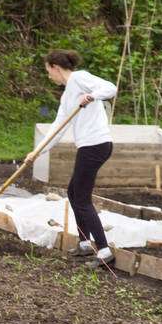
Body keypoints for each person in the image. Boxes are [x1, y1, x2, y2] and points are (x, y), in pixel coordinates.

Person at [26, 50, 118, 270]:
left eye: (49, 71)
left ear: (56, 67)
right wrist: (37, 151)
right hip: (88, 147)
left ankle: (104, 251)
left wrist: (93, 96)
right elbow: (58, 128)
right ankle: (85, 242)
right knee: (73, 192)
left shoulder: (79, 78)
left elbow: (110, 88)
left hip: (96, 145)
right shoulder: (67, 96)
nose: (49, 77)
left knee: (83, 197)